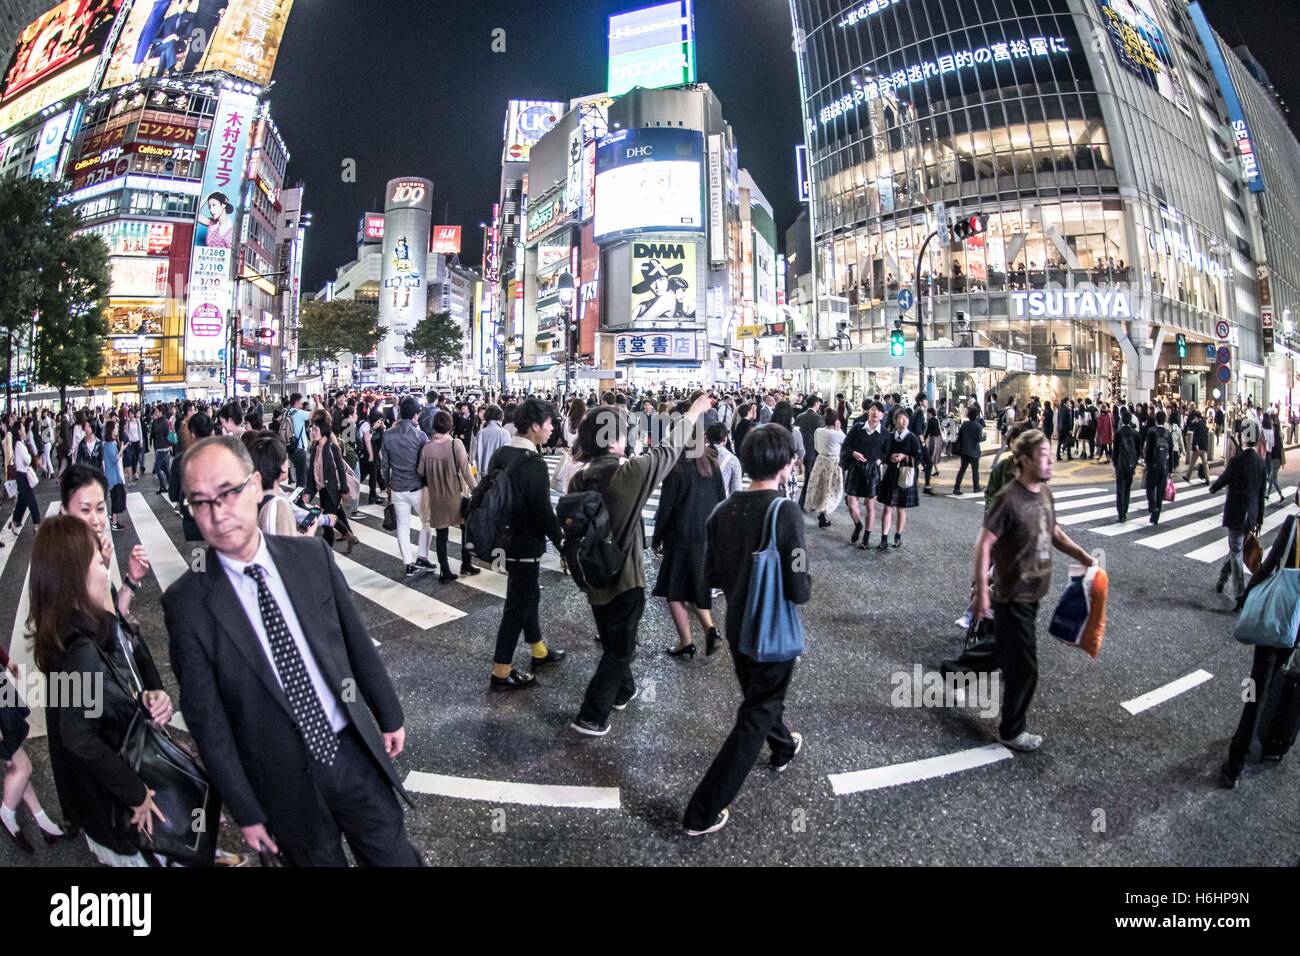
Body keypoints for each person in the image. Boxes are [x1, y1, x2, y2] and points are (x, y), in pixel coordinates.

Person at [163, 435, 420, 866]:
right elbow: (210, 724)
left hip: (349, 751)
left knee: (394, 855)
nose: (217, 512)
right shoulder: (188, 603)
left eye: (227, 493)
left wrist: (389, 714)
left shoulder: (309, 556)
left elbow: (353, 641)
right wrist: (245, 811)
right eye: (200, 502)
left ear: (253, 485)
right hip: (282, 783)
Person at [682, 425, 812, 835]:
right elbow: (800, 585)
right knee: (756, 713)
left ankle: (784, 746)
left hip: (738, 626)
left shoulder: (722, 510)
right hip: (772, 630)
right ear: (786, 464)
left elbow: (710, 576)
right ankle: (703, 809)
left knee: (762, 699)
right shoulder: (784, 511)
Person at [566, 394, 713, 733]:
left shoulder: (580, 478)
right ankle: (591, 715)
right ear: (612, 439)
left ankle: (624, 690)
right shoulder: (628, 474)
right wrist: (693, 412)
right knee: (620, 649)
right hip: (624, 578)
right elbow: (668, 450)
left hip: (593, 577)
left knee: (615, 639)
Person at [32, 516, 173, 866]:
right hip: (116, 810)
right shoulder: (80, 649)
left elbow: (84, 710)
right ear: (75, 579)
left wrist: (138, 698)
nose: (104, 569)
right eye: (98, 562)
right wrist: (136, 792)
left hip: (96, 806)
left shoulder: (64, 635)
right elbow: (79, 737)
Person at [972, 430, 1094, 752]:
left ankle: (953, 672)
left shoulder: (1044, 494)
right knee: (1025, 667)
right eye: (1043, 455)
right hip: (1012, 596)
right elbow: (984, 543)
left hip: (1034, 593)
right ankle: (1011, 730)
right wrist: (983, 591)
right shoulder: (1007, 498)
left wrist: (1083, 556)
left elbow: (1053, 531)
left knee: (1002, 650)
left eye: (1050, 453)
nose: (1050, 460)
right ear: (1024, 460)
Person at [1220, 489, 1300, 788]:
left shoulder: (1294, 525)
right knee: (1279, 681)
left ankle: (1234, 765)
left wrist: (1246, 595)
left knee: (1255, 690)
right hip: (1296, 625)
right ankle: (1266, 741)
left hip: (1276, 616)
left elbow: (1268, 567)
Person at [487, 398, 566, 690]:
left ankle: (539, 651)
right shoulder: (533, 464)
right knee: (517, 606)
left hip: (503, 539)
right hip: (525, 543)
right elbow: (543, 512)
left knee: (529, 594)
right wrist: (563, 544)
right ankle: (501, 670)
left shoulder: (501, 453)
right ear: (534, 426)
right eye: (548, 425)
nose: (551, 430)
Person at [1209, 419, 1267, 606]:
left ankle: (1240, 593)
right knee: (1236, 548)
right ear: (1257, 439)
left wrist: (1213, 487)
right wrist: (1259, 519)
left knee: (1235, 550)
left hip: (1235, 512)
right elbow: (1261, 493)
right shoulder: (1260, 463)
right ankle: (1223, 577)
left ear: (1243, 437)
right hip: (1250, 515)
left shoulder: (1237, 461)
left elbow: (1224, 479)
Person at [418, 410, 479, 583]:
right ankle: (466, 564)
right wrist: (476, 489)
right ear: (450, 426)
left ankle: (444, 571)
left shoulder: (427, 447)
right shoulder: (456, 444)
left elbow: (420, 471)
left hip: (436, 497)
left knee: (441, 534)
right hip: (455, 496)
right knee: (466, 529)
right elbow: (466, 472)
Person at [381, 397, 431, 577]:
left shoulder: (388, 435)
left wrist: (386, 484)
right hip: (416, 486)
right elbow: (425, 463)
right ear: (416, 415)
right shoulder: (420, 436)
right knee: (427, 522)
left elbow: (384, 464)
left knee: (403, 526)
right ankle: (422, 556)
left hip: (397, 487)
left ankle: (408, 562)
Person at [250, 433, 330, 538]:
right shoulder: (279, 504)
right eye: (285, 458)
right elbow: (286, 545)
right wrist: (308, 538)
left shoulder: (254, 494)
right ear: (277, 464)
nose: (288, 463)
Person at [305, 410, 359, 554]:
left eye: (315, 429)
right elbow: (311, 473)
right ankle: (350, 537)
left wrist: (344, 488)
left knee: (328, 524)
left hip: (332, 488)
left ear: (323, 430)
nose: (313, 432)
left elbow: (341, 469)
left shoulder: (332, 447)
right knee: (337, 517)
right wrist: (308, 492)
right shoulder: (315, 448)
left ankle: (325, 554)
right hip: (322, 489)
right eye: (312, 429)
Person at [875, 407, 924, 550]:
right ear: (895, 421)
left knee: (901, 509)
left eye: (906, 419)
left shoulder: (912, 438)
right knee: (887, 507)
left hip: (905, 476)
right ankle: (883, 538)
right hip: (891, 474)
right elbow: (883, 454)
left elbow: (919, 459)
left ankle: (898, 536)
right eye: (901, 419)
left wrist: (905, 457)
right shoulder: (890, 437)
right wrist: (889, 458)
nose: (904, 421)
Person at [842, 401, 886, 549]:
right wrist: (853, 453)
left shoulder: (885, 433)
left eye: (879, 411)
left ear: (882, 415)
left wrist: (880, 460)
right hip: (856, 468)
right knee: (851, 502)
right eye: (873, 410)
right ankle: (858, 524)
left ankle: (866, 538)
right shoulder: (857, 428)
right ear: (868, 412)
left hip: (872, 471)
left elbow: (887, 451)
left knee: (870, 505)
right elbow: (846, 445)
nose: (875, 413)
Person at [804, 409, 845, 528]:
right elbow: (846, 443)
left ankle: (821, 514)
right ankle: (824, 512)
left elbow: (816, 446)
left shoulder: (818, 431)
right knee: (832, 489)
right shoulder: (838, 433)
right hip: (833, 462)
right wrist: (839, 428)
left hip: (820, 460)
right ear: (836, 420)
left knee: (819, 487)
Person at [7, 421, 41, 537]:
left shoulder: (19, 444)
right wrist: (30, 455)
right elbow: (27, 460)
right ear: (19, 431)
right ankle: (37, 524)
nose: (24, 429)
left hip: (21, 475)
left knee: (22, 501)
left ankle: (15, 522)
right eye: (22, 427)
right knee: (31, 500)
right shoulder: (19, 445)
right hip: (22, 476)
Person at [1142, 410, 1176, 526]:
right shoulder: (1168, 434)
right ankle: (1157, 514)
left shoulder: (1152, 432)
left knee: (1150, 487)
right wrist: (1171, 469)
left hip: (1153, 466)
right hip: (1164, 467)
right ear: (1165, 420)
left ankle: (1152, 507)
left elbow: (1148, 450)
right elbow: (1171, 453)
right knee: (1160, 491)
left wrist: (1147, 463)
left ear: (1156, 420)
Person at [794, 396, 822, 510]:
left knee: (807, 476)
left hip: (801, 449)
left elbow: (796, 433)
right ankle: (804, 501)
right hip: (812, 451)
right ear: (816, 403)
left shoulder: (800, 416)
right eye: (819, 403)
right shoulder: (819, 418)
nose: (819, 405)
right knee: (810, 477)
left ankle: (804, 501)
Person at [1112, 408, 1139, 522]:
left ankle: (1120, 513)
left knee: (1120, 488)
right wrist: (1135, 462)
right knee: (1128, 488)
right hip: (1131, 464)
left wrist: (1115, 463)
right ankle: (1125, 511)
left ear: (1122, 419)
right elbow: (1138, 450)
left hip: (1120, 465)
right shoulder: (1135, 434)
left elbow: (1115, 451)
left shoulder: (1118, 433)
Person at [952, 405, 985, 495]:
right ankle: (976, 487)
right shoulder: (979, 426)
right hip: (974, 451)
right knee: (975, 471)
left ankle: (956, 488)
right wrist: (983, 438)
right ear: (976, 416)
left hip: (965, 450)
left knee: (962, 470)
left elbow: (960, 436)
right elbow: (978, 439)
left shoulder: (964, 424)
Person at [707, 422, 743, 496]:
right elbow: (736, 491)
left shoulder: (697, 455)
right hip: (719, 503)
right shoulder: (733, 460)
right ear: (725, 439)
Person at [474, 404, 508, 476]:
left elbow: (477, 455)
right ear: (500, 416)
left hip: (484, 474)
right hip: (500, 474)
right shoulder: (504, 433)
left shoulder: (481, 433)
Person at [149, 405, 172, 495]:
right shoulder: (156, 421)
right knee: (165, 468)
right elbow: (153, 431)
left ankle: (163, 486)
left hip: (164, 447)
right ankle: (171, 485)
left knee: (157, 467)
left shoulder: (164, 421)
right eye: (155, 412)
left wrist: (169, 445)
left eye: (157, 411)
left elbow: (166, 433)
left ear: (161, 412)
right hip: (159, 447)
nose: (155, 413)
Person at [1184, 409, 1211, 483]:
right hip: (1204, 447)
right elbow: (1206, 436)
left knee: (1192, 462)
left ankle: (1187, 476)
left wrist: (1196, 445)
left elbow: (1196, 436)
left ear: (1196, 417)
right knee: (1205, 463)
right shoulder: (1204, 424)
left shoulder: (1197, 425)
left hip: (1198, 448)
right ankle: (1207, 478)